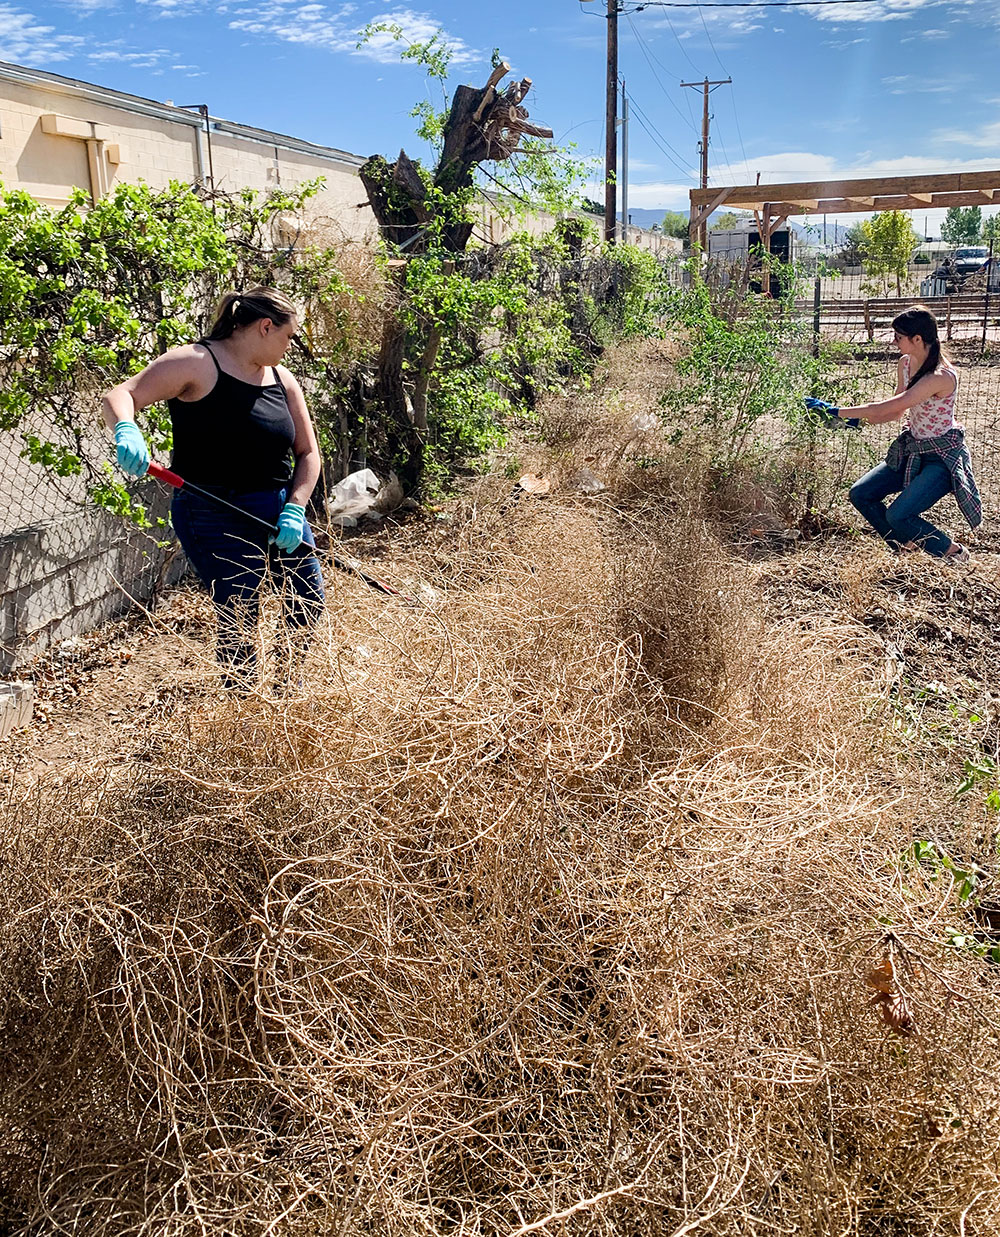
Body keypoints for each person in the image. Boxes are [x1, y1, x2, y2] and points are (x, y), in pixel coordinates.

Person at [101, 286, 326, 691]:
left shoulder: (282, 379)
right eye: (289, 337)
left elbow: (309, 453)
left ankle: (286, 695)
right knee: (240, 611)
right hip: (211, 510)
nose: (291, 347)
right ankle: (243, 710)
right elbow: (122, 394)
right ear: (264, 326)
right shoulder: (197, 363)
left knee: (307, 599)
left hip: (277, 508)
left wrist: (295, 507)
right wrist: (125, 427)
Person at [806, 304, 981, 564]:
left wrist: (836, 411)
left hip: (941, 458)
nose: (894, 341)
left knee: (898, 515)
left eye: (899, 337)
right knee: (861, 494)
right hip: (914, 451)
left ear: (917, 339)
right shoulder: (906, 363)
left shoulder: (940, 377)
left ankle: (952, 553)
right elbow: (896, 413)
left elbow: (893, 405)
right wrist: (852, 423)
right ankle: (905, 547)